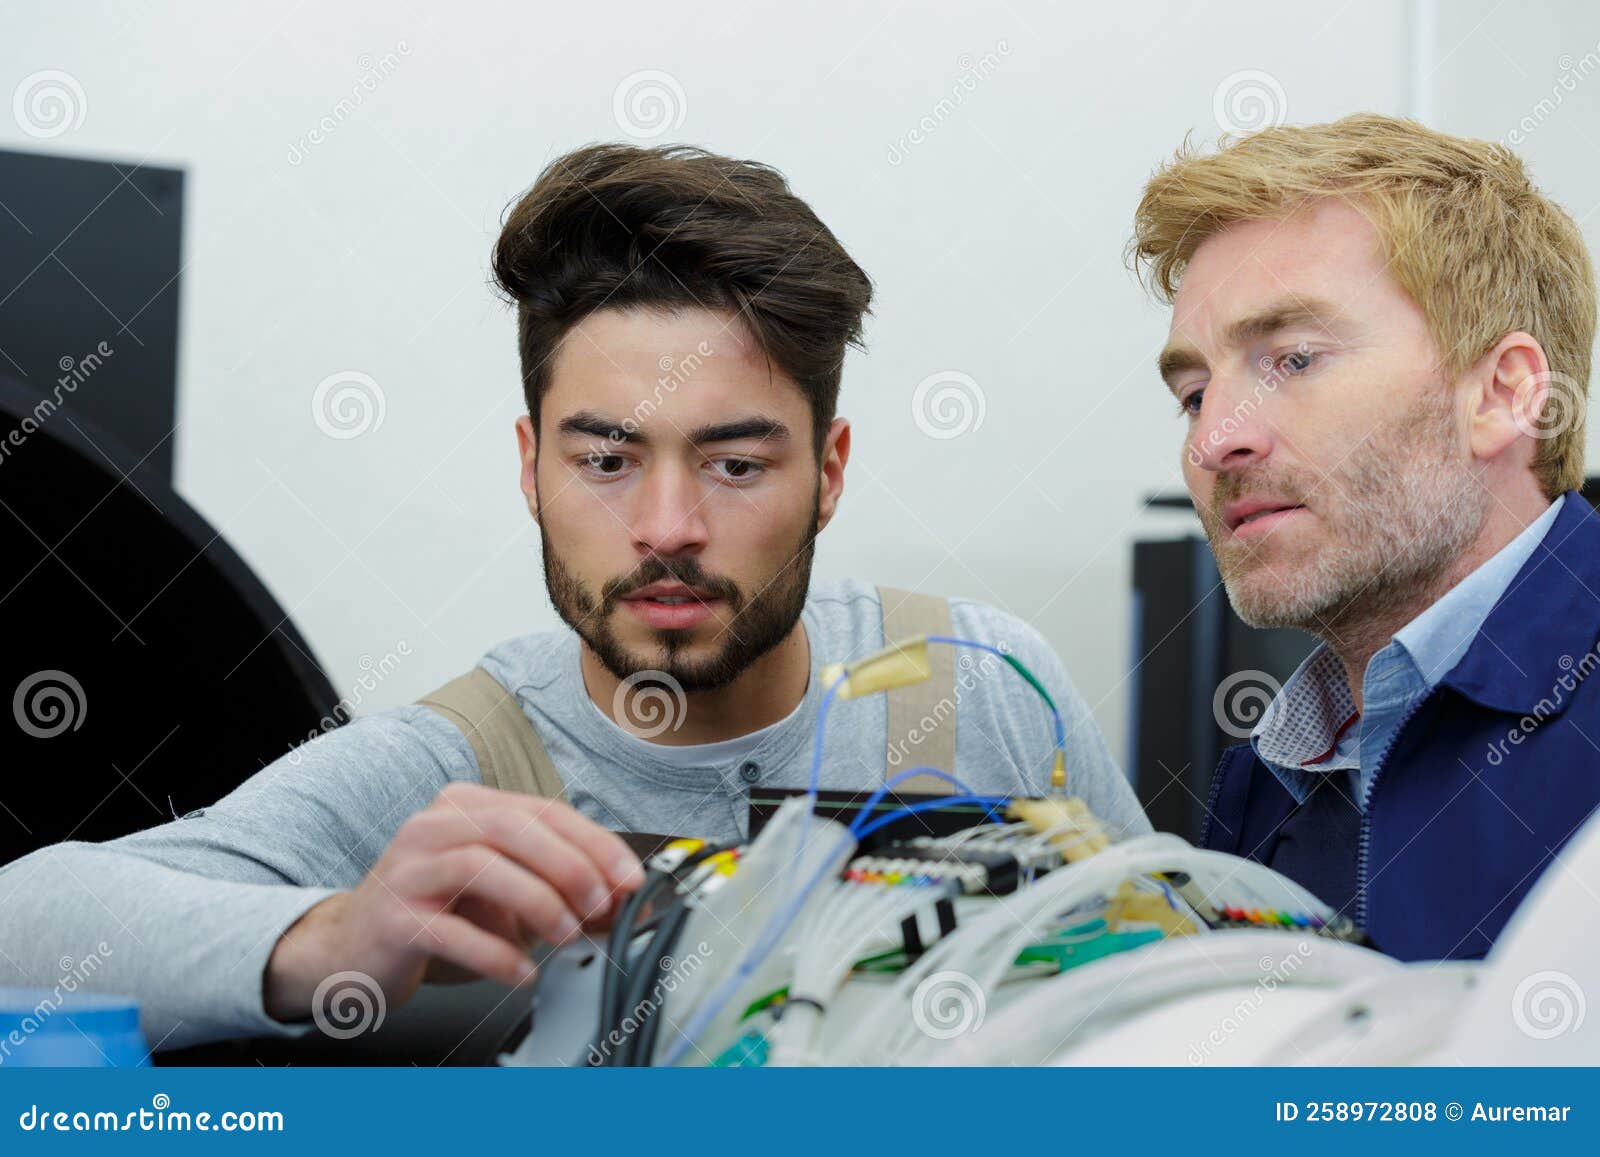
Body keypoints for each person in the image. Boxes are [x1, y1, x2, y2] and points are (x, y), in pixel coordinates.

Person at [0, 143, 1144, 1051]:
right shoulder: (451, 773)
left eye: (735, 463)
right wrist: (333, 932)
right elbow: (25, 927)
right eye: (605, 460)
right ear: (529, 462)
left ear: (828, 468)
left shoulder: (983, 690)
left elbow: (1194, 986)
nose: (666, 526)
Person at [1131, 113, 1600, 961]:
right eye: (1195, 394)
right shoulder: (1272, 769)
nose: (1211, 443)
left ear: (1500, 394)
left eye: (1295, 359)